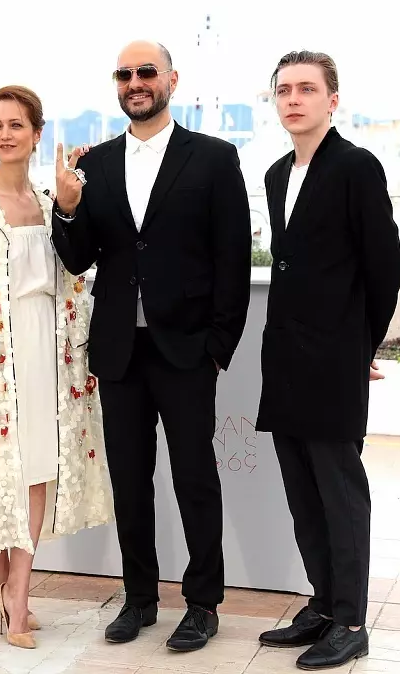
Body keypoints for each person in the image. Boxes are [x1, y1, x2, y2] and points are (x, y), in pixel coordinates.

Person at [51, 40, 251, 652]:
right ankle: (139, 597)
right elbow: (81, 257)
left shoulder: (215, 159)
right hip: (118, 351)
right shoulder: (97, 164)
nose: (135, 82)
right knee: (130, 480)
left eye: (146, 72)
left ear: (171, 79)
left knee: (195, 479)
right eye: (124, 74)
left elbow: (233, 258)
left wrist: (219, 345)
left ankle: (202, 603)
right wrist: (66, 207)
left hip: (188, 350)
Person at [0, 85, 113, 650]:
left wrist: (69, 205)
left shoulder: (49, 196)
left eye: (17, 124)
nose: (6, 134)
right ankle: (3, 578)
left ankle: (18, 594)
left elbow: (78, 272)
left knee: (38, 468)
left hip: (50, 353)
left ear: (37, 133)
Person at [255, 51, 400, 670]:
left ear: (331, 100)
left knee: (341, 491)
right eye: (284, 90)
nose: (294, 99)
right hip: (285, 355)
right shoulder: (274, 173)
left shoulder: (356, 167)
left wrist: (359, 346)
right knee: (300, 488)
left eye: (307, 89)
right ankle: (321, 600)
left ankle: (350, 618)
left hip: (334, 358)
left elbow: (384, 267)